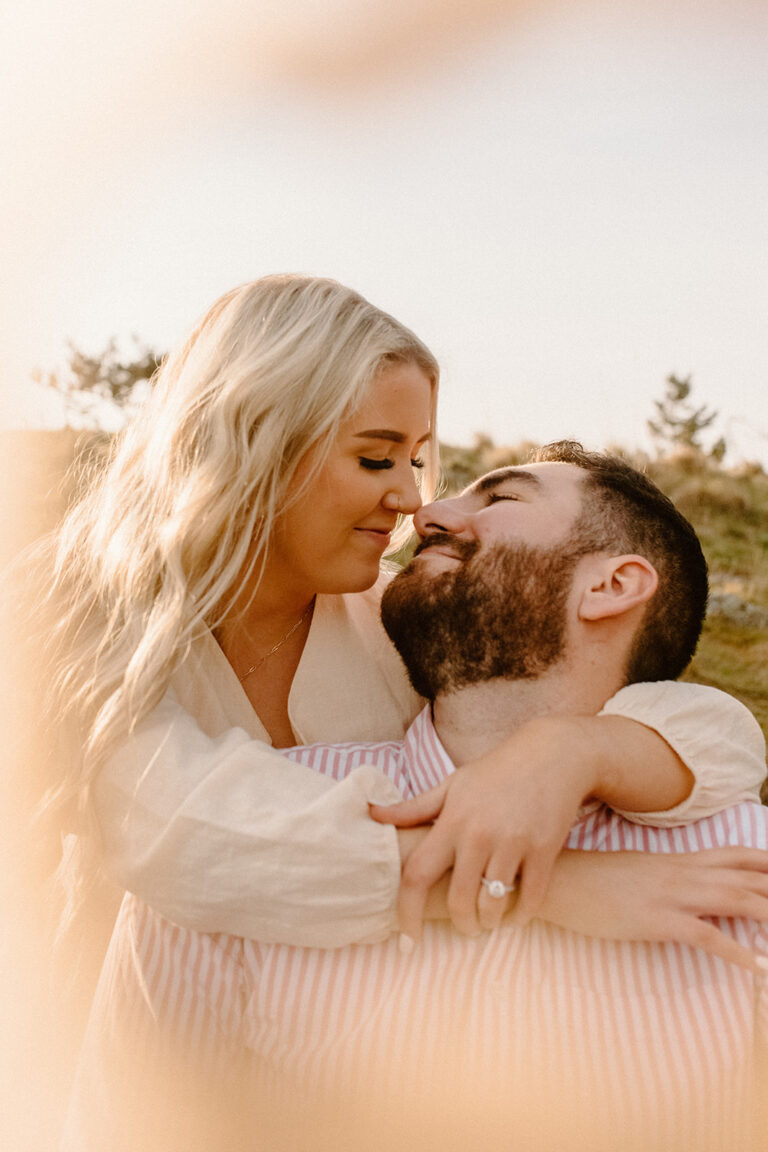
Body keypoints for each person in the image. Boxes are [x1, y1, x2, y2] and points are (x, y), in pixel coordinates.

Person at [32, 276, 763, 970]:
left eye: (415, 459)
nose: (413, 498)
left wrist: (574, 750)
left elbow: (719, 736)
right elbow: (178, 834)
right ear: (253, 441)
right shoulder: (65, 612)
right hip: (116, 1035)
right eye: (377, 457)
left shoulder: (401, 621)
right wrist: (552, 887)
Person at [64, 443, 768, 1152]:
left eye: (500, 499)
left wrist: (575, 749)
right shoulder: (239, 833)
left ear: (613, 584)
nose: (427, 511)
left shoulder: (745, 867)